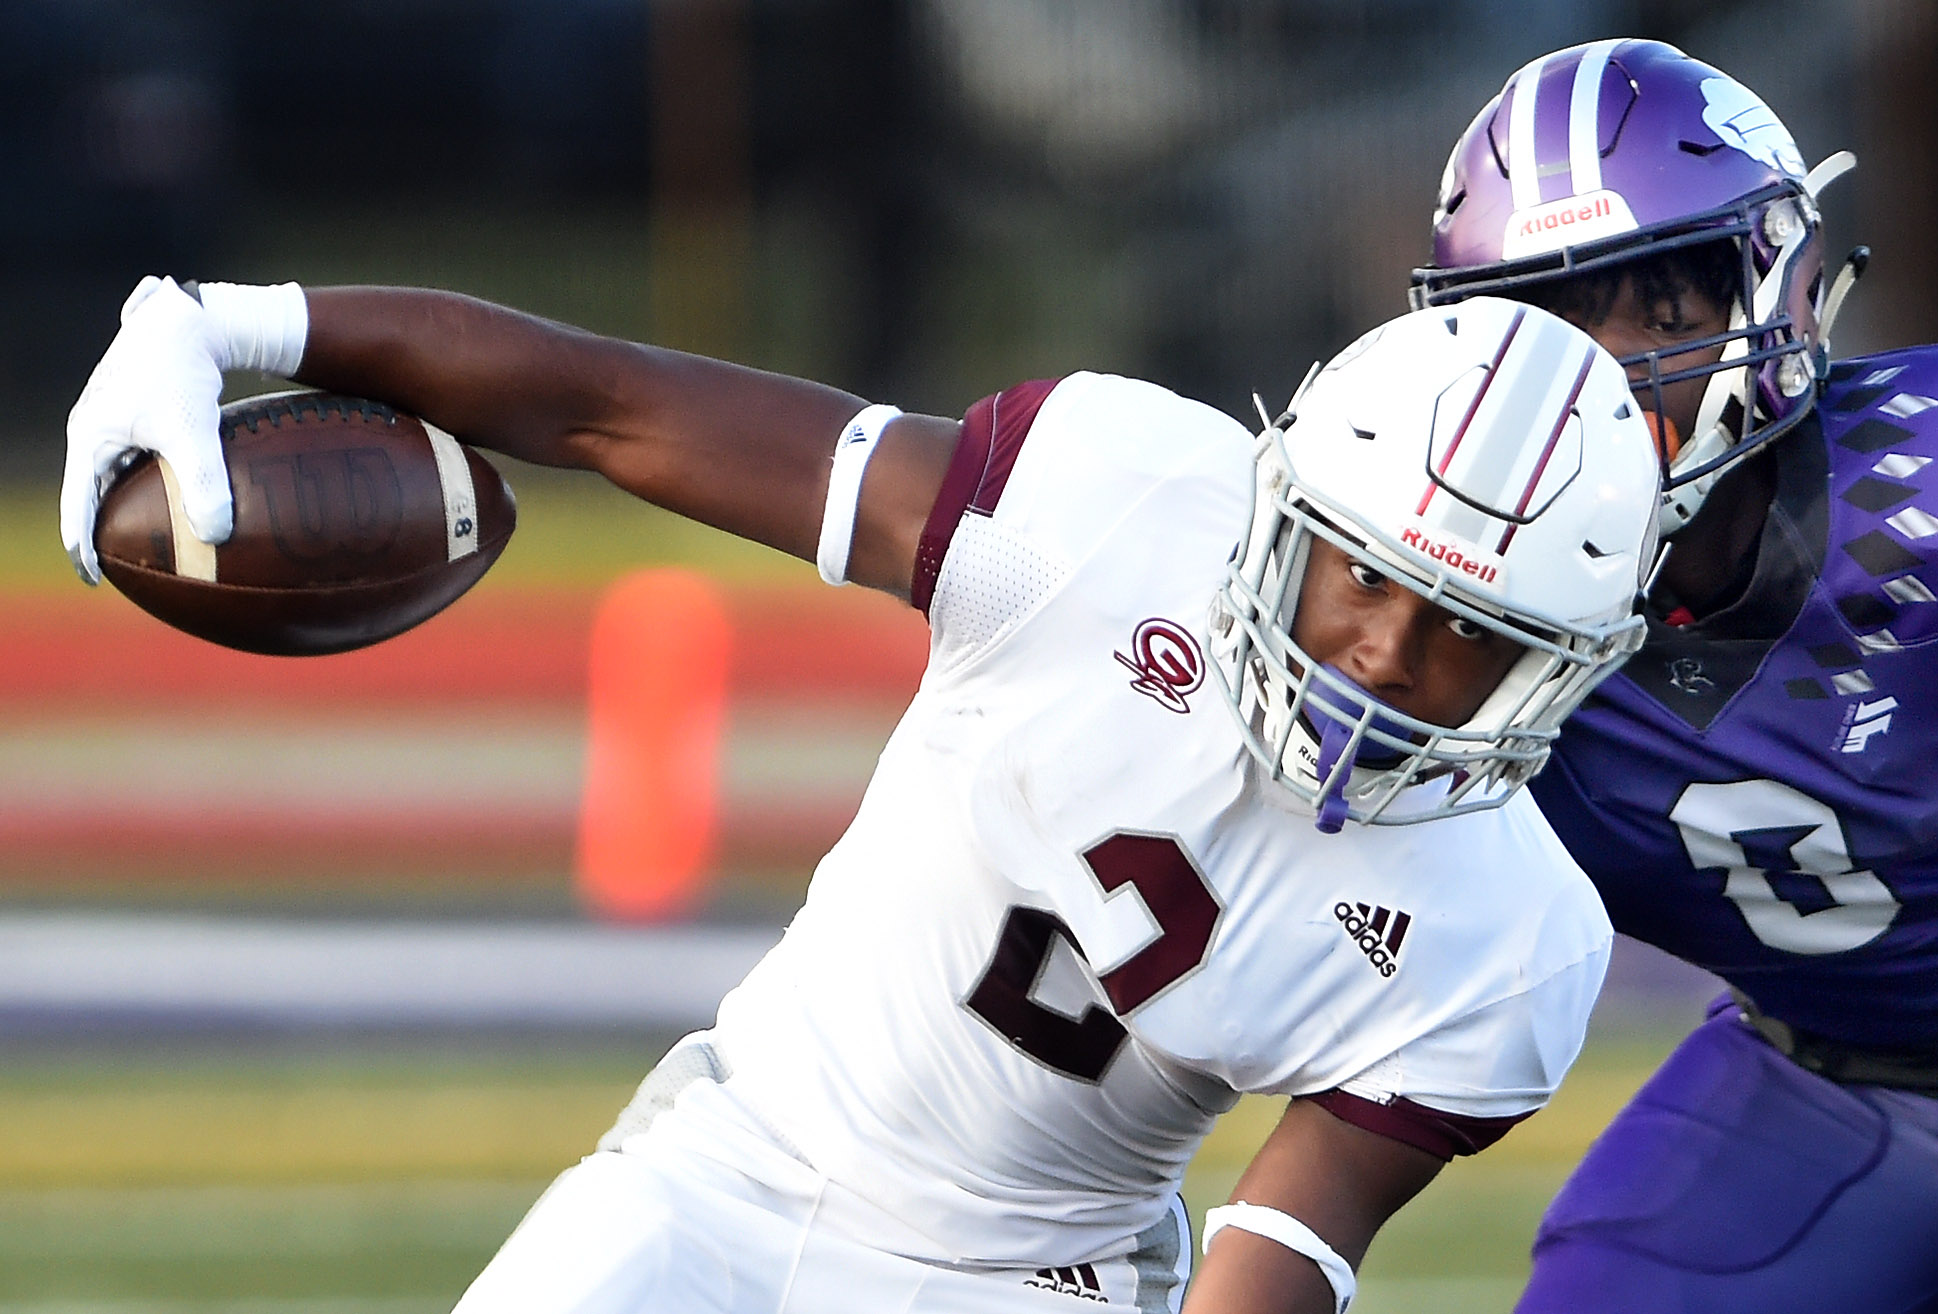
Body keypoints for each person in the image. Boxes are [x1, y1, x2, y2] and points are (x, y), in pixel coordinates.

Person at [60, 279, 1661, 1313]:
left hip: (1043, 1276)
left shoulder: (1505, 936)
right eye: (1357, 580)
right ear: (1278, 506)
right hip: (726, 1161)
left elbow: (1289, 1245)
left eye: (1469, 638)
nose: (1380, 656)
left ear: (1568, 661)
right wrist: (246, 324)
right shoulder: (1103, 501)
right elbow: (614, 403)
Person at [1411, 37, 1938, 1313]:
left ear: (1781, 290)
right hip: (1833, 1089)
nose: (1607, 368)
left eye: (1666, 303)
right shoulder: (1432, 596)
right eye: (1546, 320)